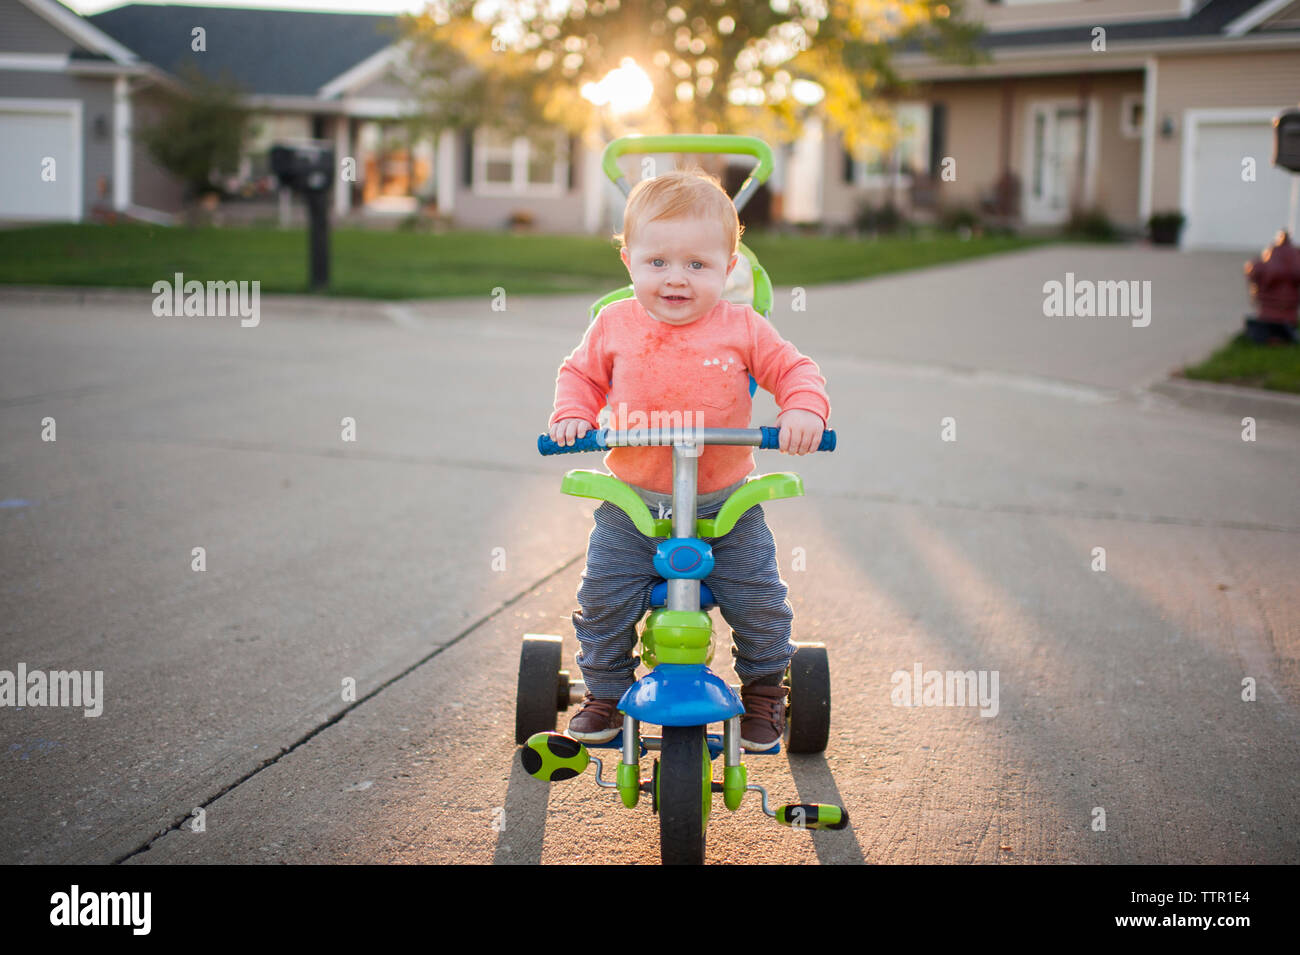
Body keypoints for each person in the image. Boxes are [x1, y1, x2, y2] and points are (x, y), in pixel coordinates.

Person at [546, 168, 831, 751]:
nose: (676, 279)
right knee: (604, 598)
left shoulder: (743, 326)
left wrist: (804, 410)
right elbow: (579, 375)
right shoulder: (614, 324)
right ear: (629, 260)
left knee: (758, 598)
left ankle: (762, 694)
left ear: (728, 269)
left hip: (726, 503)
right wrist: (573, 416)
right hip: (633, 502)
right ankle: (605, 693)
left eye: (697, 265)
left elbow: (795, 371)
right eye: (659, 263)